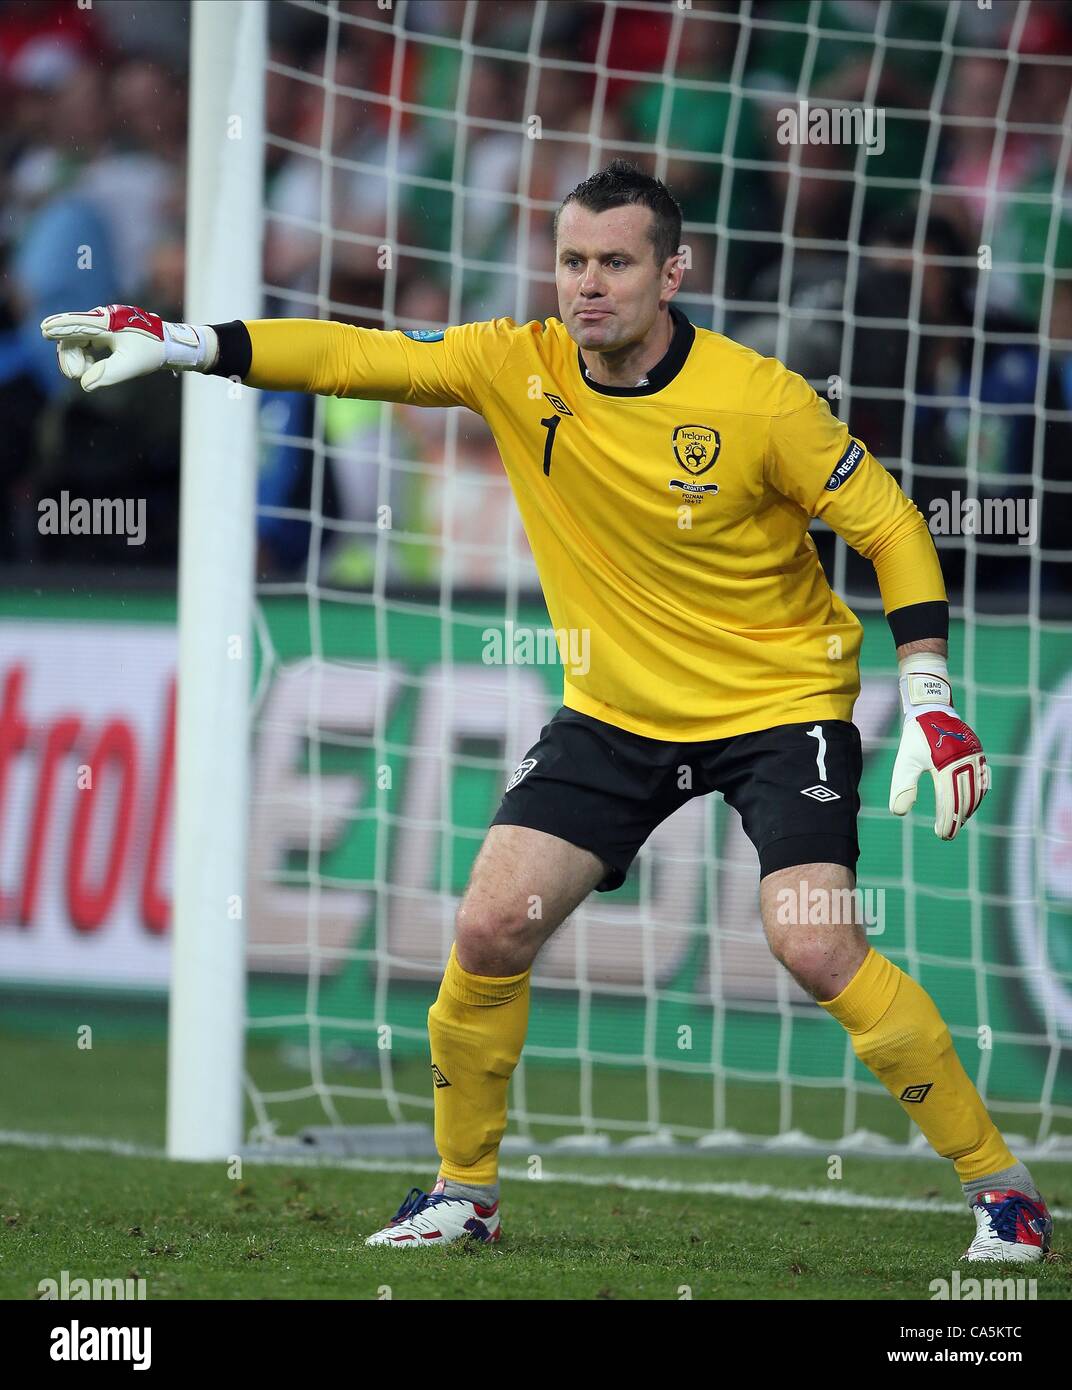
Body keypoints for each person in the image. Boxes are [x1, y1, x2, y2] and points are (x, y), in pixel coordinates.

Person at [40, 161, 1052, 1262]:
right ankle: (462, 1191)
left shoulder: (760, 398)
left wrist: (932, 693)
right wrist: (192, 343)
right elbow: (349, 354)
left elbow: (893, 525)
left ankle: (1003, 1192)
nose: (586, 285)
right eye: (571, 260)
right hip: (615, 709)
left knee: (811, 942)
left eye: (614, 262)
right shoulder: (514, 365)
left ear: (673, 271)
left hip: (777, 702)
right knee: (489, 925)